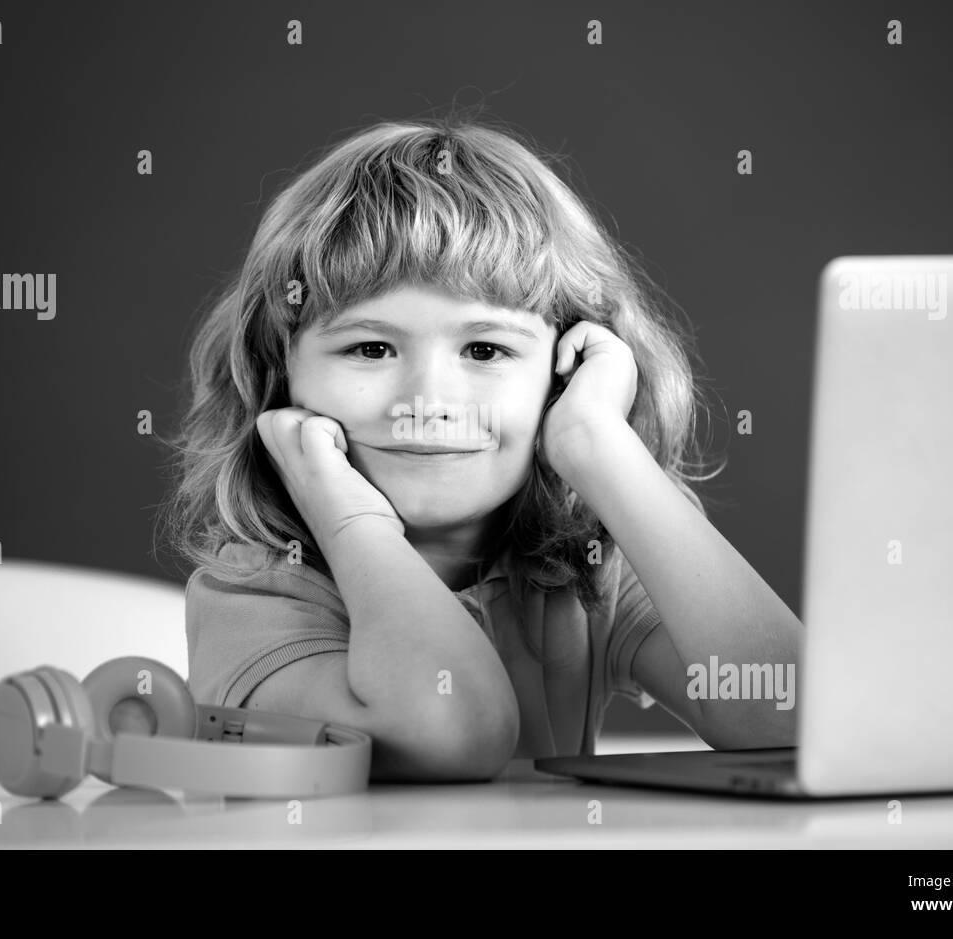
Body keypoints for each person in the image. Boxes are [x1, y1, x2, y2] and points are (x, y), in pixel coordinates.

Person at [157, 114, 803, 782]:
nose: (427, 399)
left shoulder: (577, 567)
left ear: (563, 375)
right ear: (279, 375)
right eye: (370, 348)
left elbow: (796, 715)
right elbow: (453, 727)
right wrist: (353, 522)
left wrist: (598, 444)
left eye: (486, 348)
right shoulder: (255, 595)